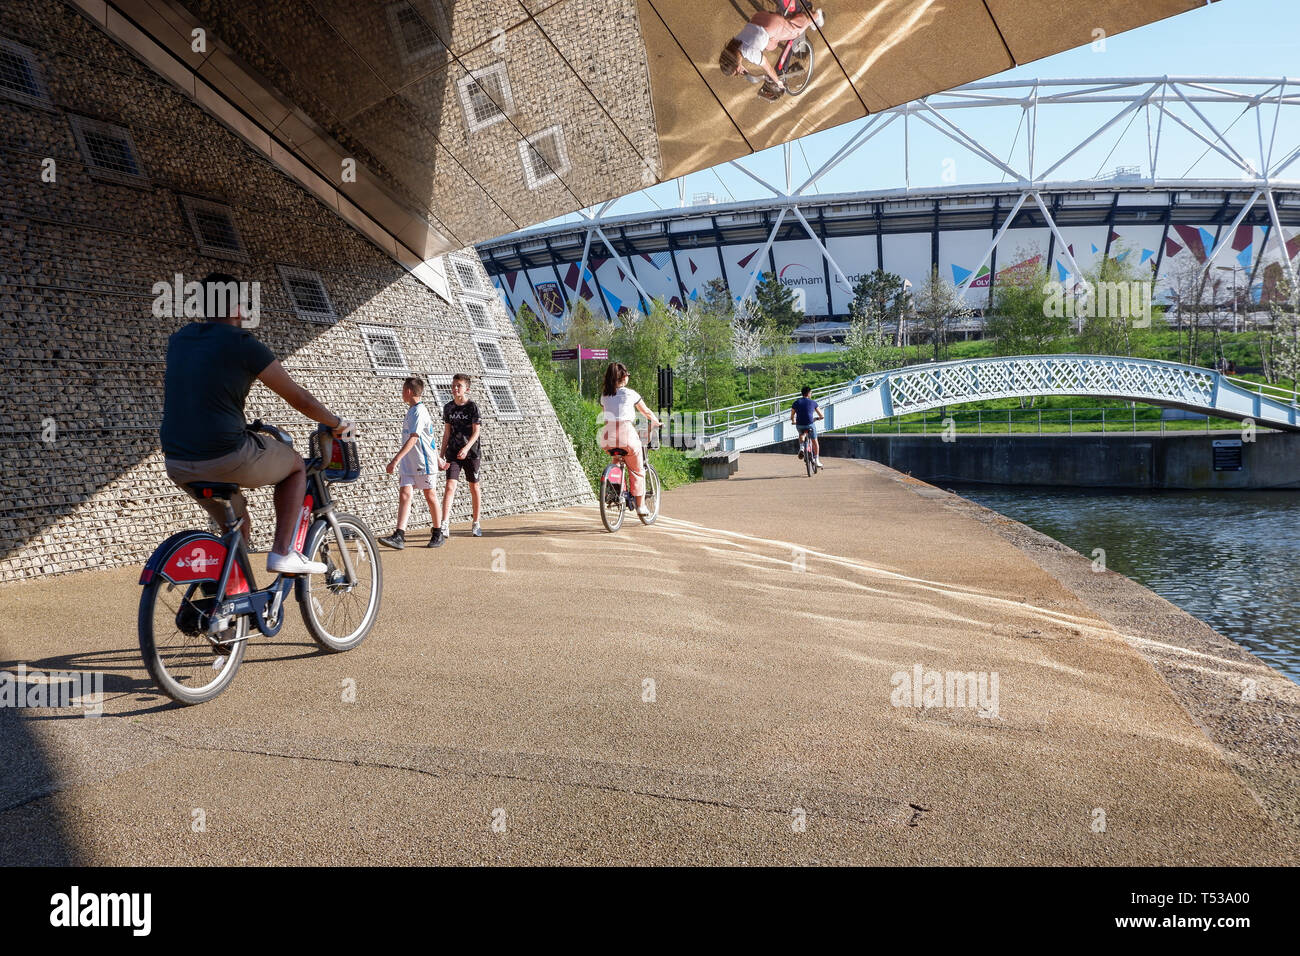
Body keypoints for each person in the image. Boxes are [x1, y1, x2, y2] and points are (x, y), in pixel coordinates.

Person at [160, 272, 351, 575]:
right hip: (225, 455)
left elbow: (204, 390)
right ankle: (283, 552)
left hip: (178, 462)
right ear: (237, 307)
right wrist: (337, 422)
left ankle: (227, 602)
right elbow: (300, 399)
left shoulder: (180, 340)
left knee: (236, 528)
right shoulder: (244, 344)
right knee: (296, 467)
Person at [379, 377, 448, 550]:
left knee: (430, 495)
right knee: (404, 494)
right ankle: (399, 535)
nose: (402, 393)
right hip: (410, 464)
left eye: (403, 390)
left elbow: (415, 438)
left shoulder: (419, 411)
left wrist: (395, 460)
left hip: (423, 463)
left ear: (409, 391)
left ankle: (438, 532)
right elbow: (428, 437)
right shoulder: (411, 410)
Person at [598, 362, 661, 517]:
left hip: (608, 438)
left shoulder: (604, 396)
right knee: (637, 470)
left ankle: (615, 492)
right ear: (624, 377)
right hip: (627, 435)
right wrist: (655, 422)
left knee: (617, 460)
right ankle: (640, 506)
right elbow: (646, 411)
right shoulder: (630, 394)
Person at [718, 5, 824, 92]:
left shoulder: (750, 53)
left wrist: (777, 81)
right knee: (771, 46)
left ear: (736, 65)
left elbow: (768, 67)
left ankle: (815, 16)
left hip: (774, 23)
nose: (738, 72)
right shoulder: (734, 43)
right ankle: (785, 19)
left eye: (736, 72)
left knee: (795, 31)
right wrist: (739, 65)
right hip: (759, 18)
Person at [439, 373, 483, 538]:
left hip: (471, 454)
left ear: (467, 389)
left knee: (474, 487)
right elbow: (447, 432)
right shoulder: (448, 407)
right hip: (453, 454)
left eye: (459, 385)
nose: (455, 388)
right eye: (454, 385)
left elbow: (476, 431)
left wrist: (466, 448)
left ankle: (476, 523)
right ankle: (444, 524)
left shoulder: (473, 407)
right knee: (450, 486)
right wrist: (441, 455)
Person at [790, 385, 824, 468]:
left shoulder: (796, 402)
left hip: (799, 424)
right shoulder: (813, 403)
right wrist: (817, 418)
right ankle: (817, 460)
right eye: (811, 393)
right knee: (815, 442)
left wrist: (794, 421)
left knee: (801, 432)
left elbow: (792, 415)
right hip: (809, 424)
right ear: (808, 393)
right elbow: (821, 415)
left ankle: (801, 447)